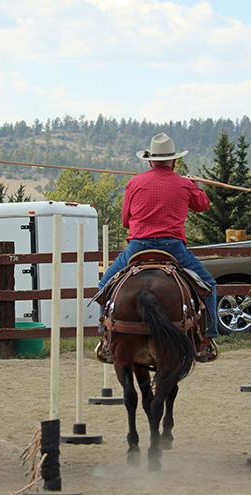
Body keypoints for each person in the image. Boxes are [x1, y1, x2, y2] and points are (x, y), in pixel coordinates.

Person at [95, 132, 219, 363]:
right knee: (209, 285)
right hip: (172, 247)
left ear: (150, 160)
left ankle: (105, 335)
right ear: (174, 160)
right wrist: (196, 185)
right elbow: (203, 206)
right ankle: (207, 338)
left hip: (138, 246)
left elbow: (125, 220)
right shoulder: (184, 184)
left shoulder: (134, 183)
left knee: (104, 285)